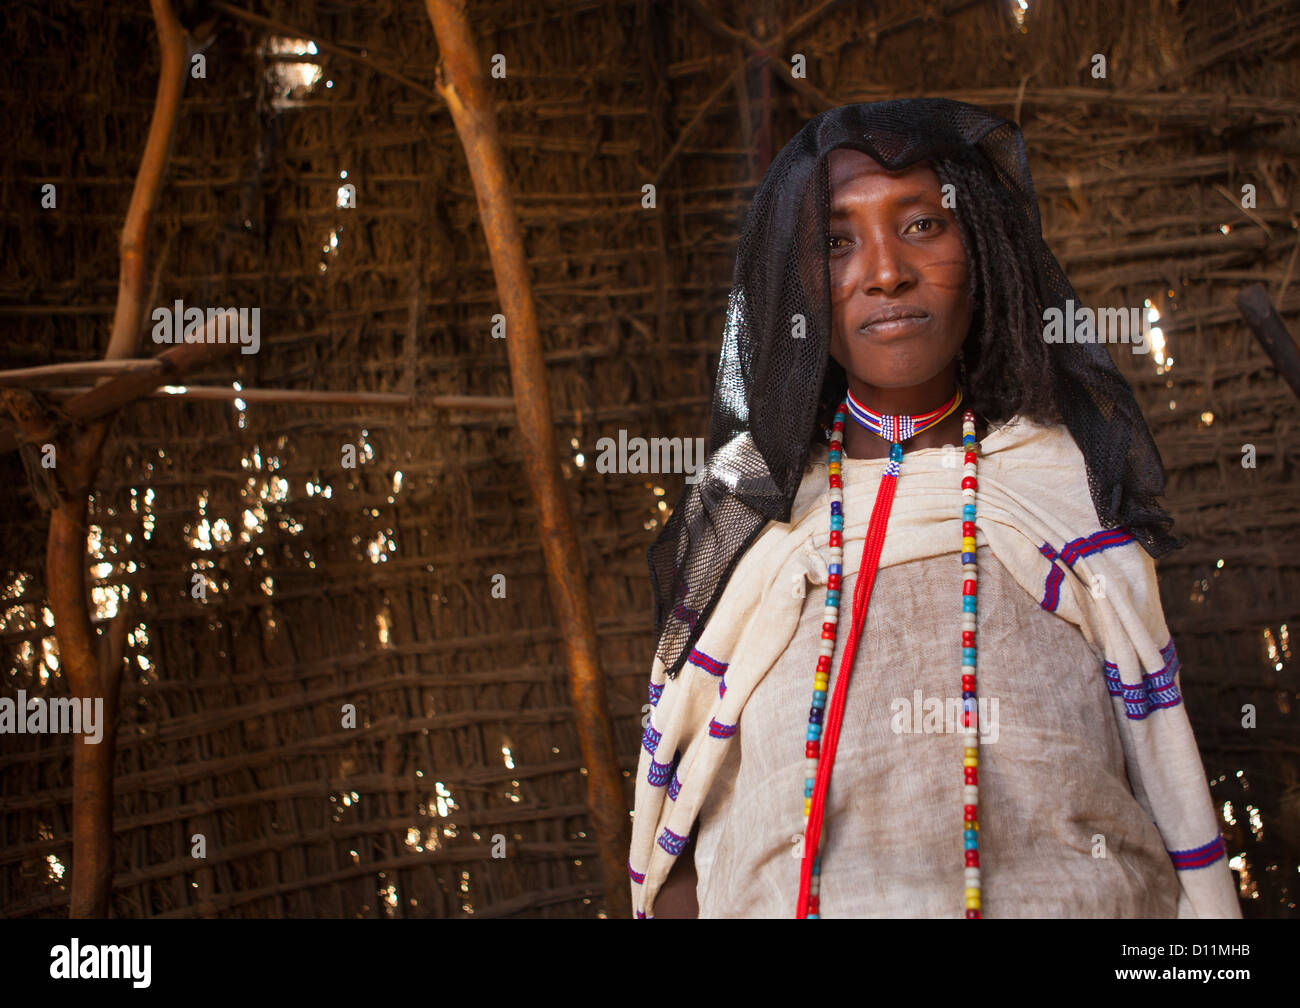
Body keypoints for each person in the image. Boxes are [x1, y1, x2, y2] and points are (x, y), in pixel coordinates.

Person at [628, 99, 1241, 919]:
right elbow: (677, 822)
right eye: (837, 241)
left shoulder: (1067, 483)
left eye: (921, 225)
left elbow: (1161, 777)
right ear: (800, 282)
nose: (885, 271)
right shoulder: (748, 507)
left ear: (980, 247)